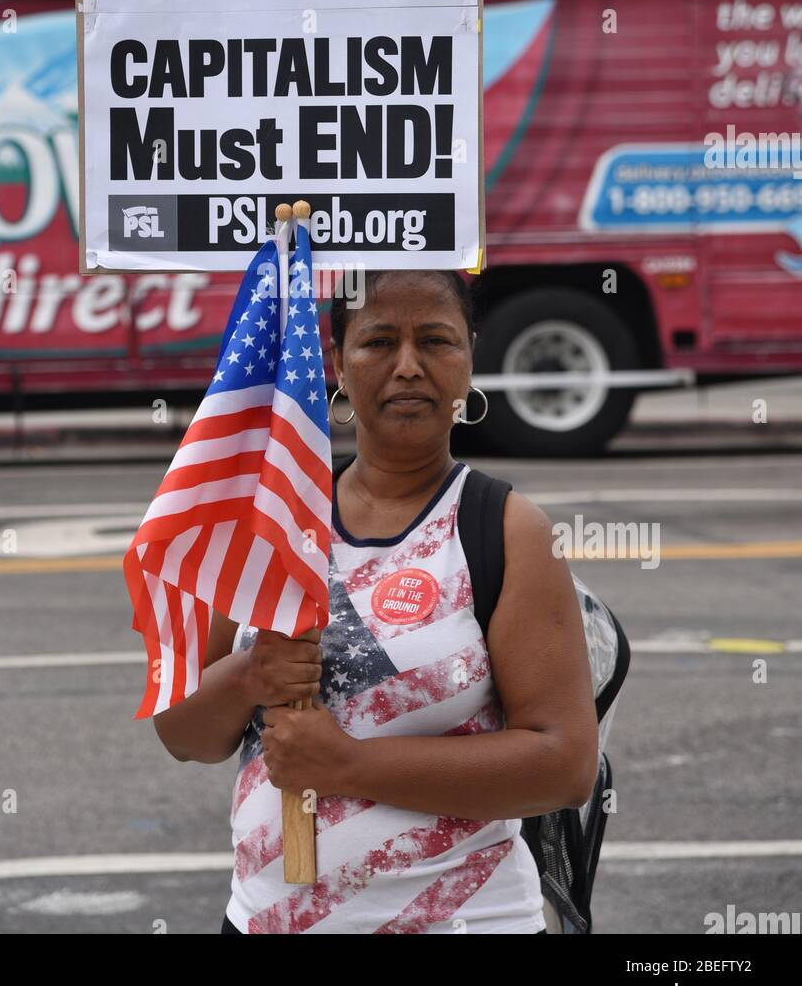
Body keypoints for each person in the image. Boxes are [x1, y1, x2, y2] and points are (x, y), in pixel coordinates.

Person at [153, 268, 598, 934]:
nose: (409, 366)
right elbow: (183, 735)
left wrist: (350, 766)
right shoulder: (268, 524)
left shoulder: (504, 529)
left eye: (436, 341)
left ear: (469, 357)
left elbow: (561, 764)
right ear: (334, 361)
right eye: (378, 341)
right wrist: (249, 676)